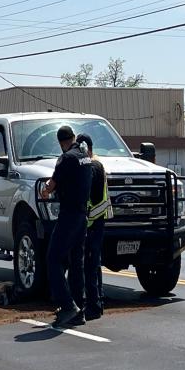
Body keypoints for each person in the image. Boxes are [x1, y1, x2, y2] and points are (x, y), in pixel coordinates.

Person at [39, 125, 93, 327]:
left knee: (53, 259)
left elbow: (51, 185)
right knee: (76, 263)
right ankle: (80, 310)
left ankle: (68, 306)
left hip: (69, 216)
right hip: (82, 216)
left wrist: (45, 191)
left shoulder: (66, 158)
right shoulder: (85, 156)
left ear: (61, 142)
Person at [80, 133, 113, 321]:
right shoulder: (98, 163)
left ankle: (93, 306)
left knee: (90, 265)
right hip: (98, 220)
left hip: (92, 221)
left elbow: (89, 196)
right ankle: (98, 302)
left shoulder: (92, 166)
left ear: (85, 147)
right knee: (95, 264)